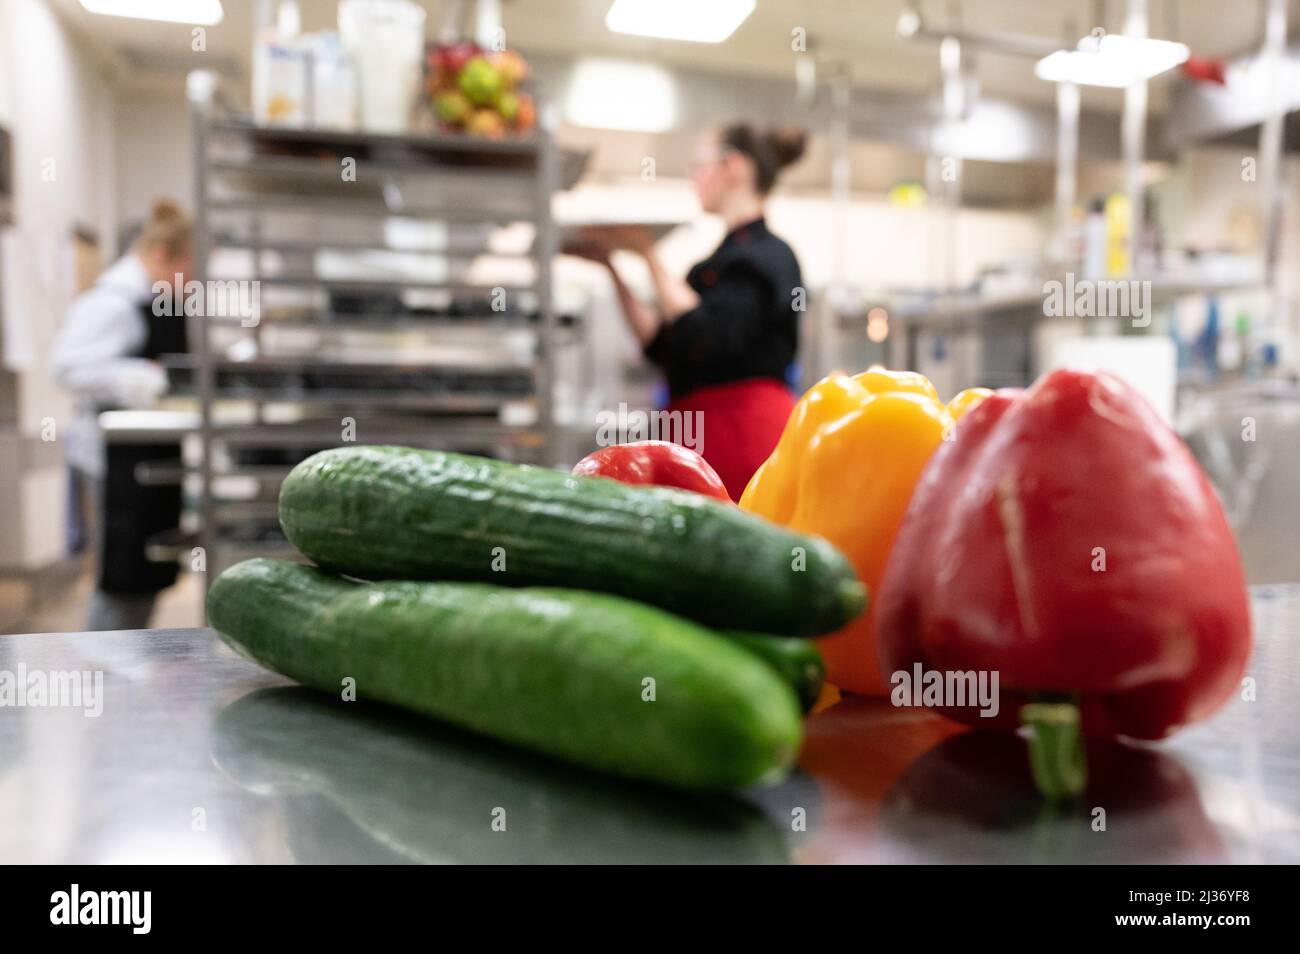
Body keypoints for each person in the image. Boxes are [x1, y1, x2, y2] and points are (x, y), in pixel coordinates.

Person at [571, 123, 807, 499]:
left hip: (747, 438)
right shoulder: (713, 266)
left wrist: (647, 253)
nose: (694, 177)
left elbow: (708, 333)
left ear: (732, 168)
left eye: (700, 165)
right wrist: (610, 265)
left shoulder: (769, 256)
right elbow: (660, 344)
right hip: (700, 437)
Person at [52, 199, 193, 631]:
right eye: (192, 269)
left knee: (143, 579)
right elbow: (66, 366)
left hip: (142, 456)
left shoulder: (147, 298)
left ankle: (130, 671)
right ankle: (104, 678)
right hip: (114, 463)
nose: (194, 282)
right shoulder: (113, 302)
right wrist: (143, 376)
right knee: (121, 578)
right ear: (161, 255)